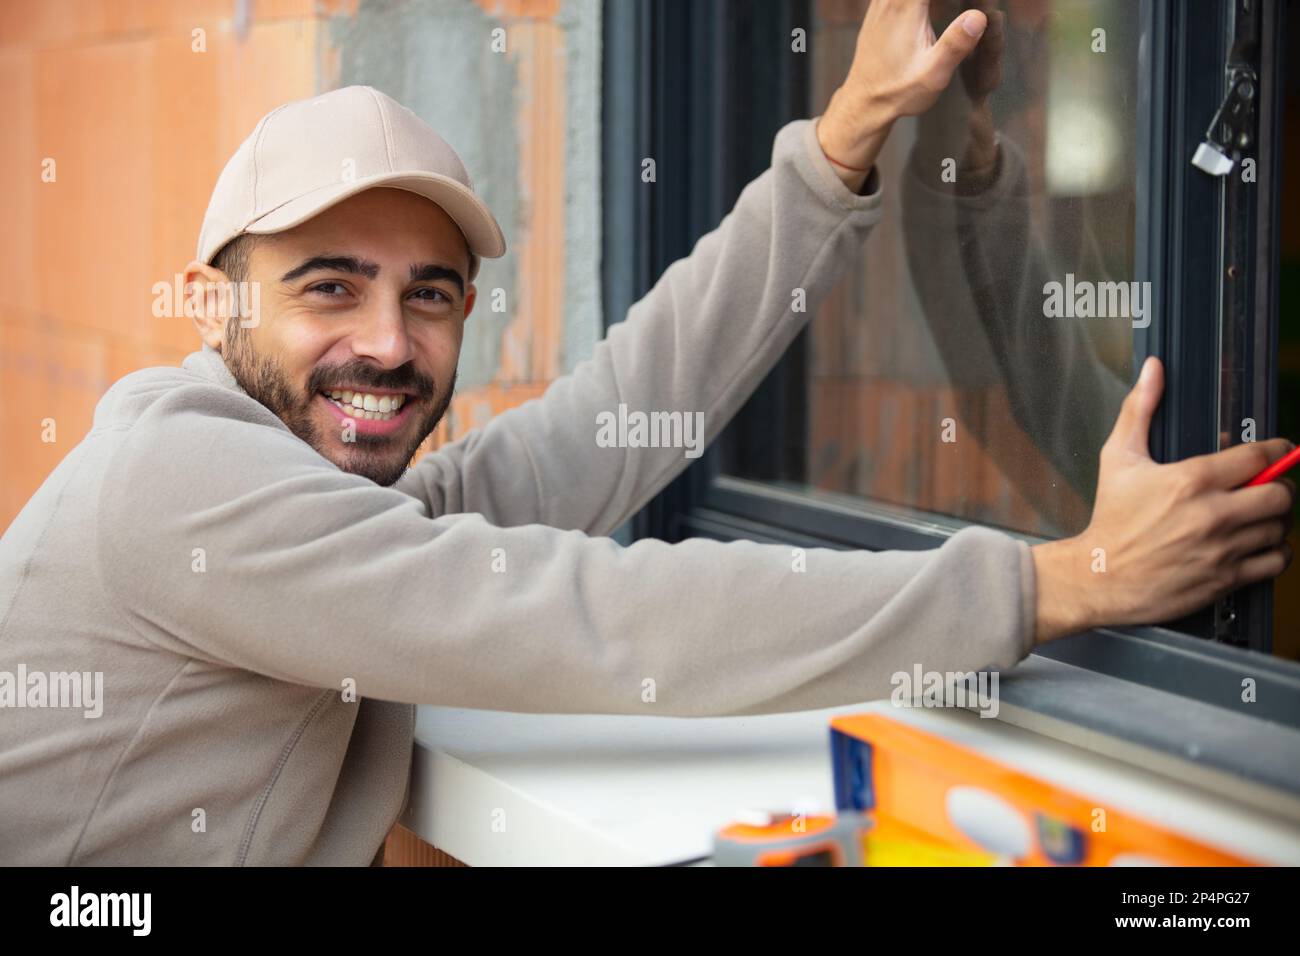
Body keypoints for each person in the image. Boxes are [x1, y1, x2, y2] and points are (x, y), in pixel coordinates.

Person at [0, 1, 1291, 865]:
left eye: (431, 295)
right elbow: (594, 617)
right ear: (205, 304)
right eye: (328, 286)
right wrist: (1060, 579)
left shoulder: (311, 503)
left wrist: (840, 145)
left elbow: (604, 428)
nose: (389, 345)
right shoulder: (187, 480)